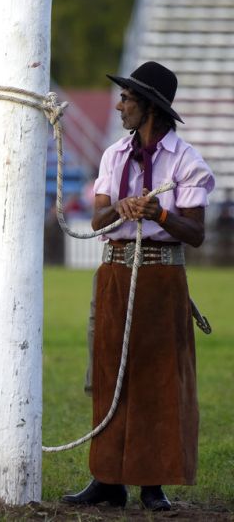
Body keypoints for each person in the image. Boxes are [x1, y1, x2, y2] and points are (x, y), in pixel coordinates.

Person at [61, 61, 214, 511]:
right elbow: (98, 218)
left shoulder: (187, 162)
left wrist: (159, 215)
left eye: (127, 98)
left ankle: (153, 483)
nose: (120, 104)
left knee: (158, 378)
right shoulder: (113, 156)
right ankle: (107, 480)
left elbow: (197, 233)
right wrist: (124, 208)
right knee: (110, 374)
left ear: (149, 107)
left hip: (162, 276)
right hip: (114, 273)